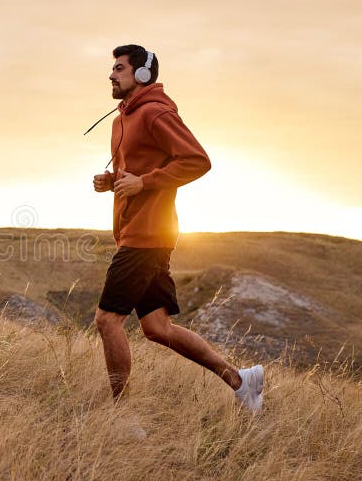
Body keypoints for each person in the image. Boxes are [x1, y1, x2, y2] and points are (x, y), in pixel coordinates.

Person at [91, 44, 264, 414]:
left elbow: (197, 160)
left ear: (141, 75)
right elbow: (137, 171)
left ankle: (119, 415)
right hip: (136, 232)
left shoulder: (155, 112)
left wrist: (145, 183)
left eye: (119, 68)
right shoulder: (121, 119)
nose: (111, 74)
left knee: (107, 320)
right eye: (113, 68)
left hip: (147, 235)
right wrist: (113, 180)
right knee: (157, 328)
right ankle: (240, 381)